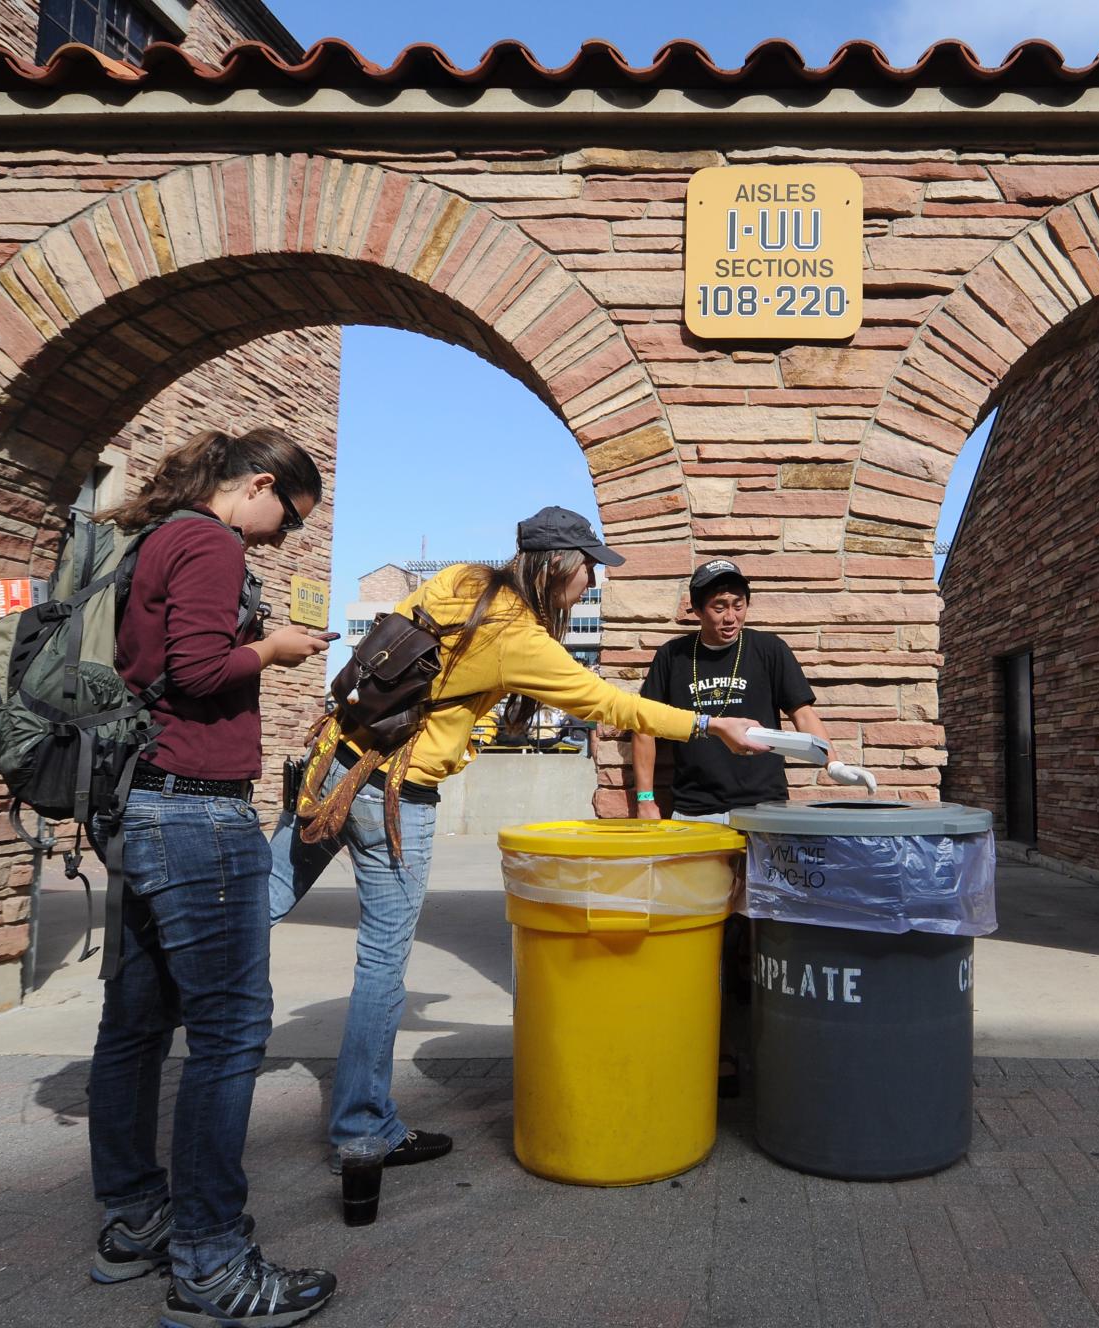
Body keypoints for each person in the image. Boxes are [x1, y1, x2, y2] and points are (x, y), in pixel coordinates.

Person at [270, 506, 770, 1171]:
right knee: (382, 964)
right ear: (559, 563)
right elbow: (607, 704)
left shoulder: (459, 582)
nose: (591, 582)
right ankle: (364, 1131)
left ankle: (166, 997)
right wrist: (711, 726)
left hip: (333, 763)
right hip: (395, 795)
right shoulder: (517, 637)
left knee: (259, 896)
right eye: (588, 567)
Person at [85, 427, 340, 1327]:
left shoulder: (157, 537)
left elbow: (165, 657)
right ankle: (211, 1264)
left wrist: (258, 638)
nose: (278, 540)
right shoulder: (207, 540)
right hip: (197, 811)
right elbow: (196, 669)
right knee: (230, 1036)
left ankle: (132, 1220)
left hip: (143, 804)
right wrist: (273, 653)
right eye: (285, 520)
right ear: (258, 484)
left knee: (137, 1025)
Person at [632, 558, 870, 823]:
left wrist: (833, 763)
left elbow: (802, 713)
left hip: (765, 808)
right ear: (698, 610)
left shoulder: (769, 650)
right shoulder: (673, 656)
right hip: (695, 810)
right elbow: (644, 726)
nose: (730, 617)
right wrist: (645, 800)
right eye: (719, 607)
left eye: (738, 605)